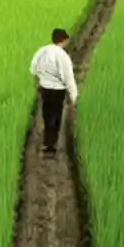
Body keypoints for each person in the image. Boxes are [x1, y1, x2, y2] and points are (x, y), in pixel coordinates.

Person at [29, 28, 79, 156]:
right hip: (58, 90)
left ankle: (47, 142)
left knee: (46, 115)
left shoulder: (42, 51)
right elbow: (68, 77)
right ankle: (51, 145)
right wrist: (74, 96)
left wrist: (40, 77)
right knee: (56, 116)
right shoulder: (63, 56)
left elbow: (33, 67)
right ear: (64, 40)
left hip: (44, 88)